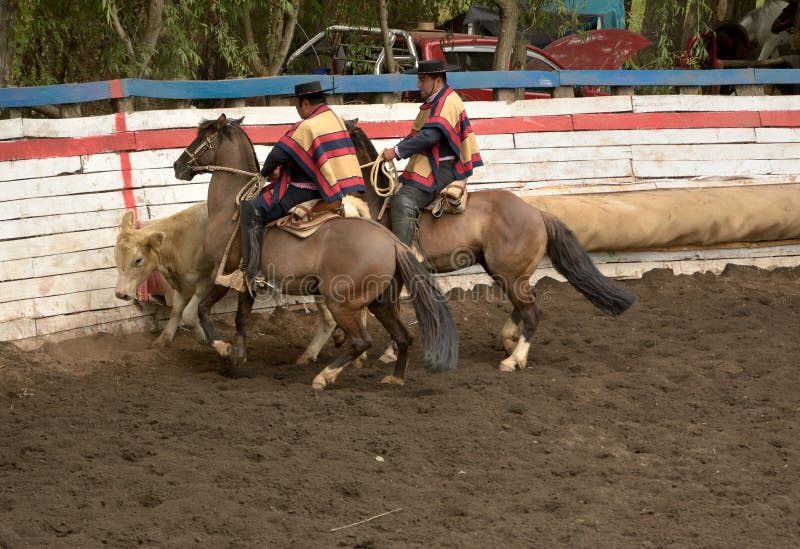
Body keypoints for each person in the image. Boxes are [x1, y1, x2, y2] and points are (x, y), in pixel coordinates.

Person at [240, 80, 365, 294]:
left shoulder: (307, 126)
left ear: (305, 102)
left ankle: (253, 272)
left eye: (297, 105)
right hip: (331, 190)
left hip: (303, 190)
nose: (298, 110)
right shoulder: (333, 119)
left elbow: (277, 154)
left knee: (251, 209)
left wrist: (266, 172)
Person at [381, 59, 483, 249]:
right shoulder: (437, 102)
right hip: (435, 165)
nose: (418, 85)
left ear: (437, 81)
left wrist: (395, 152)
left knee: (402, 200)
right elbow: (417, 136)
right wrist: (394, 150)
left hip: (444, 169)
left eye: (422, 80)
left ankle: (405, 256)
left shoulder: (447, 102)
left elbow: (430, 135)